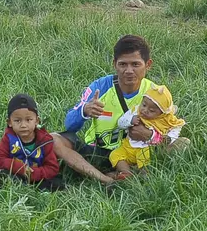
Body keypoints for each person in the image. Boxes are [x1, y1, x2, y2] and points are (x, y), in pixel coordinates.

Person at [53, 35, 183, 186]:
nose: (129, 71)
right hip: (99, 151)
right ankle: (107, 179)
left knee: (183, 143)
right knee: (53, 139)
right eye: (123, 64)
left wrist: (149, 136)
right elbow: (69, 125)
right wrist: (85, 110)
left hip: (138, 152)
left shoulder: (156, 93)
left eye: (135, 64)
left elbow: (171, 127)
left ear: (148, 65)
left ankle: (121, 173)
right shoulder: (100, 87)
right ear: (114, 64)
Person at [0, 94, 63, 191]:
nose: (23, 125)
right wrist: (18, 167)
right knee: (2, 174)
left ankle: (32, 189)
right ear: (9, 122)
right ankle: (20, 187)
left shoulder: (45, 140)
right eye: (17, 121)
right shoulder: (9, 138)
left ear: (37, 121)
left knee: (57, 183)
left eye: (28, 120)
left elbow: (52, 168)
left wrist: (33, 174)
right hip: (17, 174)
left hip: (38, 176)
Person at [109, 85, 187, 176]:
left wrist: (164, 138)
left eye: (151, 110)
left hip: (145, 148)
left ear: (161, 113)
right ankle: (126, 173)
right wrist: (130, 120)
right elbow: (120, 123)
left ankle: (144, 174)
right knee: (115, 154)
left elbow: (174, 133)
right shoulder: (135, 111)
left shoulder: (166, 121)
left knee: (145, 157)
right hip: (128, 147)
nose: (145, 110)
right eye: (144, 105)